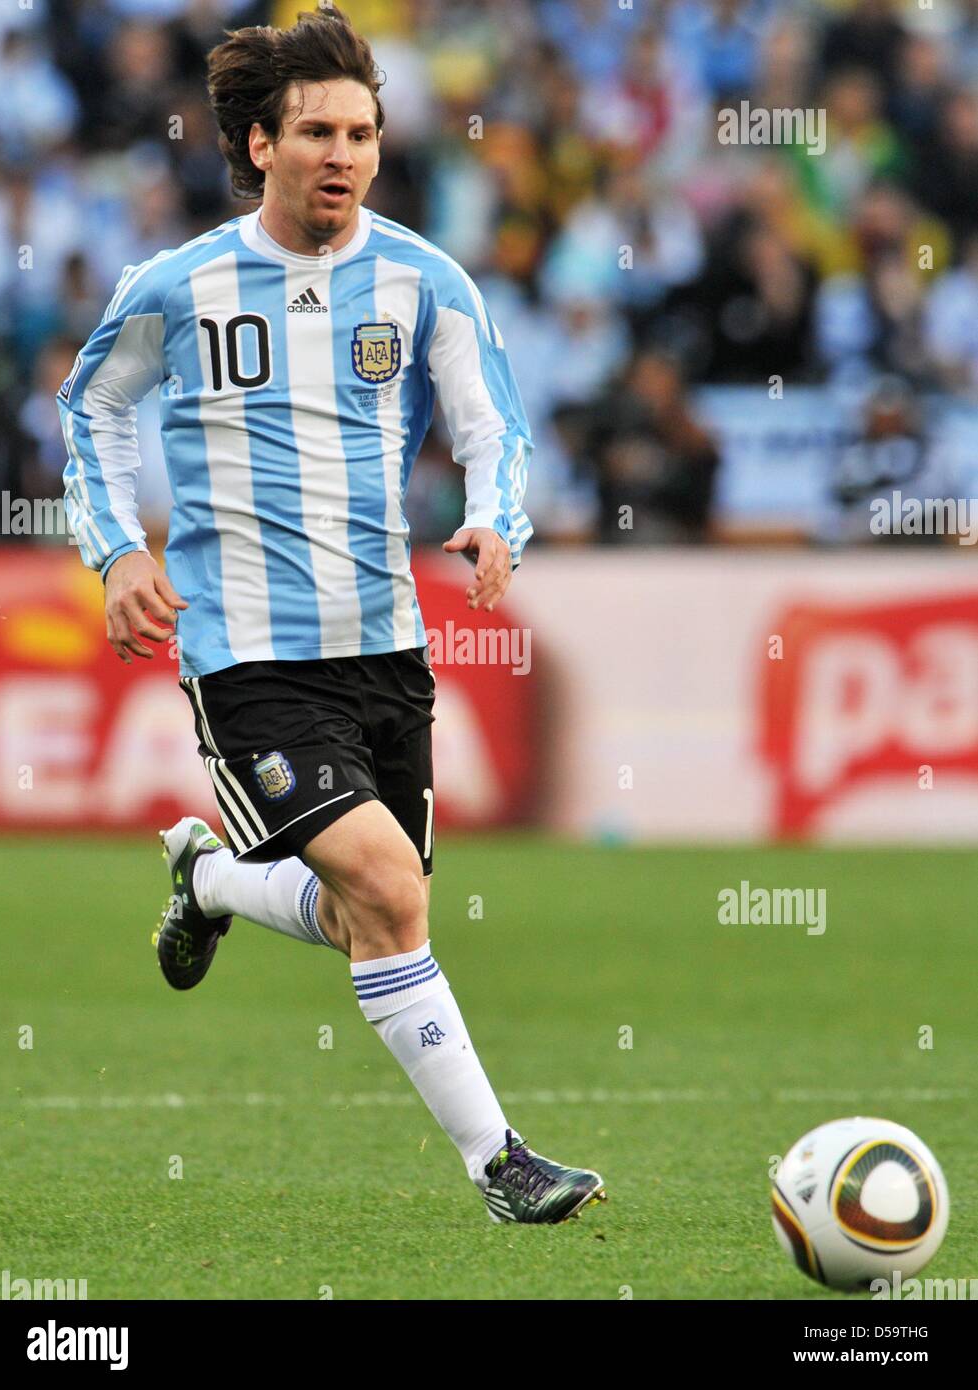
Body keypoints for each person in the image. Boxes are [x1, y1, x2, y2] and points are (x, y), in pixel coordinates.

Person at [56, 5, 604, 1226]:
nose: (343, 154)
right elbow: (88, 411)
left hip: (385, 645)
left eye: (359, 131)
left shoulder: (422, 279)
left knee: (374, 908)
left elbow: (490, 425)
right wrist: (113, 554)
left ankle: (208, 882)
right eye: (316, 132)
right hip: (245, 653)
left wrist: (494, 519)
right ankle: (499, 1164)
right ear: (261, 144)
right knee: (387, 890)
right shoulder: (179, 284)